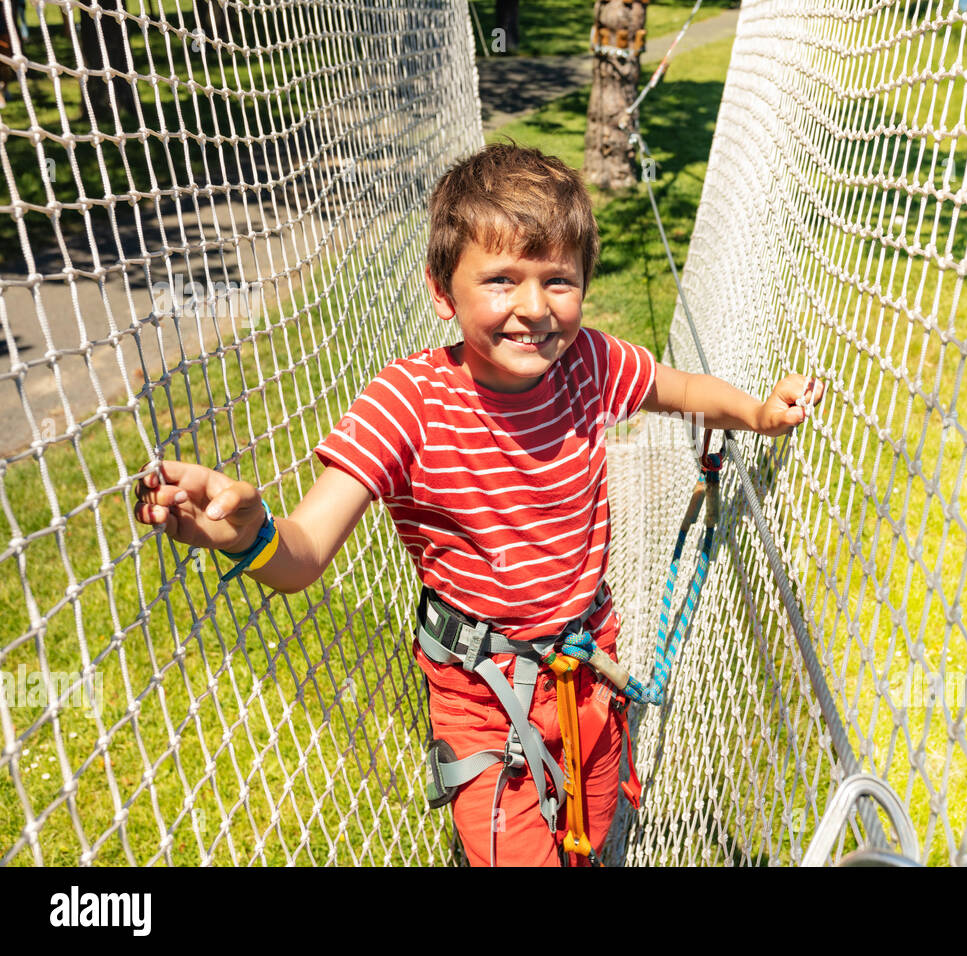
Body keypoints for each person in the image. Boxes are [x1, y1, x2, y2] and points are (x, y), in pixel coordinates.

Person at [132, 142, 825, 866]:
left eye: (559, 280)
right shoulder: (407, 404)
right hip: (482, 698)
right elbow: (302, 554)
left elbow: (675, 390)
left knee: (591, 842)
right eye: (501, 280)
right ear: (442, 291)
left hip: (589, 670)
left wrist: (756, 413)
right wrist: (246, 532)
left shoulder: (589, 362)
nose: (534, 309)